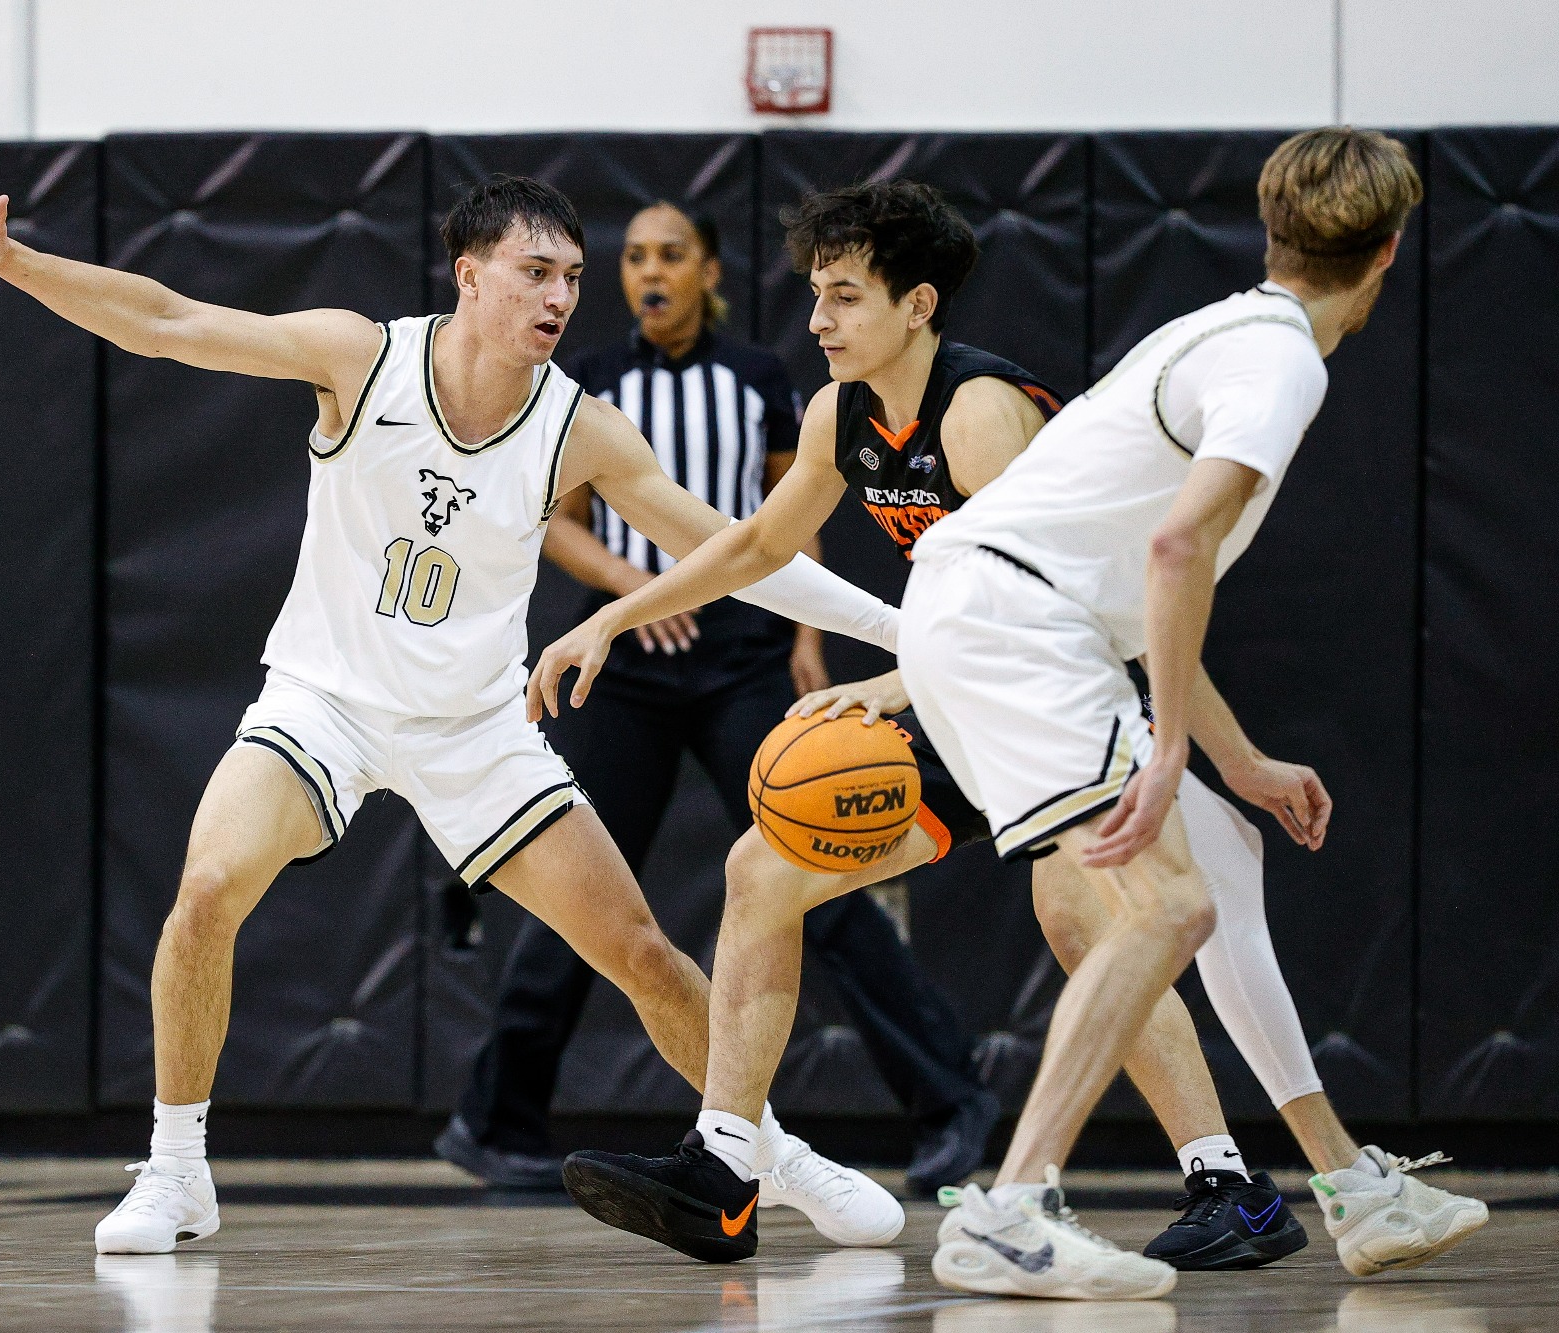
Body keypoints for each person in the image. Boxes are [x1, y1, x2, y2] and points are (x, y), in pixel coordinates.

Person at [533, 138, 1484, 1298]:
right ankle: (743, 1165)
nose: (819, 321)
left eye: (844, 295)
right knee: (780, 874)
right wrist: (616, 614)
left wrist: (1190, 743)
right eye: (814, 294)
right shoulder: (844, 415)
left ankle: (1221, 1183)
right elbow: (758, 545)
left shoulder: (980, 412)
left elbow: (1080, 594)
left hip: (1012, 670)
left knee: (1145, 904)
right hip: (989, 669)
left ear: (915, 303)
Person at [0, 165, 909, 1255]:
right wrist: (9, 260)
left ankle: (767, 1153)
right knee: (204, 891)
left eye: (570, 276)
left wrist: (905, 633)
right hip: (323, 703)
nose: (558, 296)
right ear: (468, 276)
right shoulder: (359, 354)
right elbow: (165, 320)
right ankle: (178, 1169)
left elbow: (732, 550)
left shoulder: (583, 429)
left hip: (475, 730)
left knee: (642, 954)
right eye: (534, 272)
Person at [435, 201, 998, 1199]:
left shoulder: (763, 378)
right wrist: (620, 598)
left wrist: (808, 641)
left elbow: (780, 530)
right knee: (573, 884)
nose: (648, 273)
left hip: (740, 654)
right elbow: (558, 522)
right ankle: (495, 1118)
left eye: (670, 256)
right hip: (635, 662)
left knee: (813, 856)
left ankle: (950, 1099)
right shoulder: (587, 383)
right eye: (635, 257)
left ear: (706, 270)